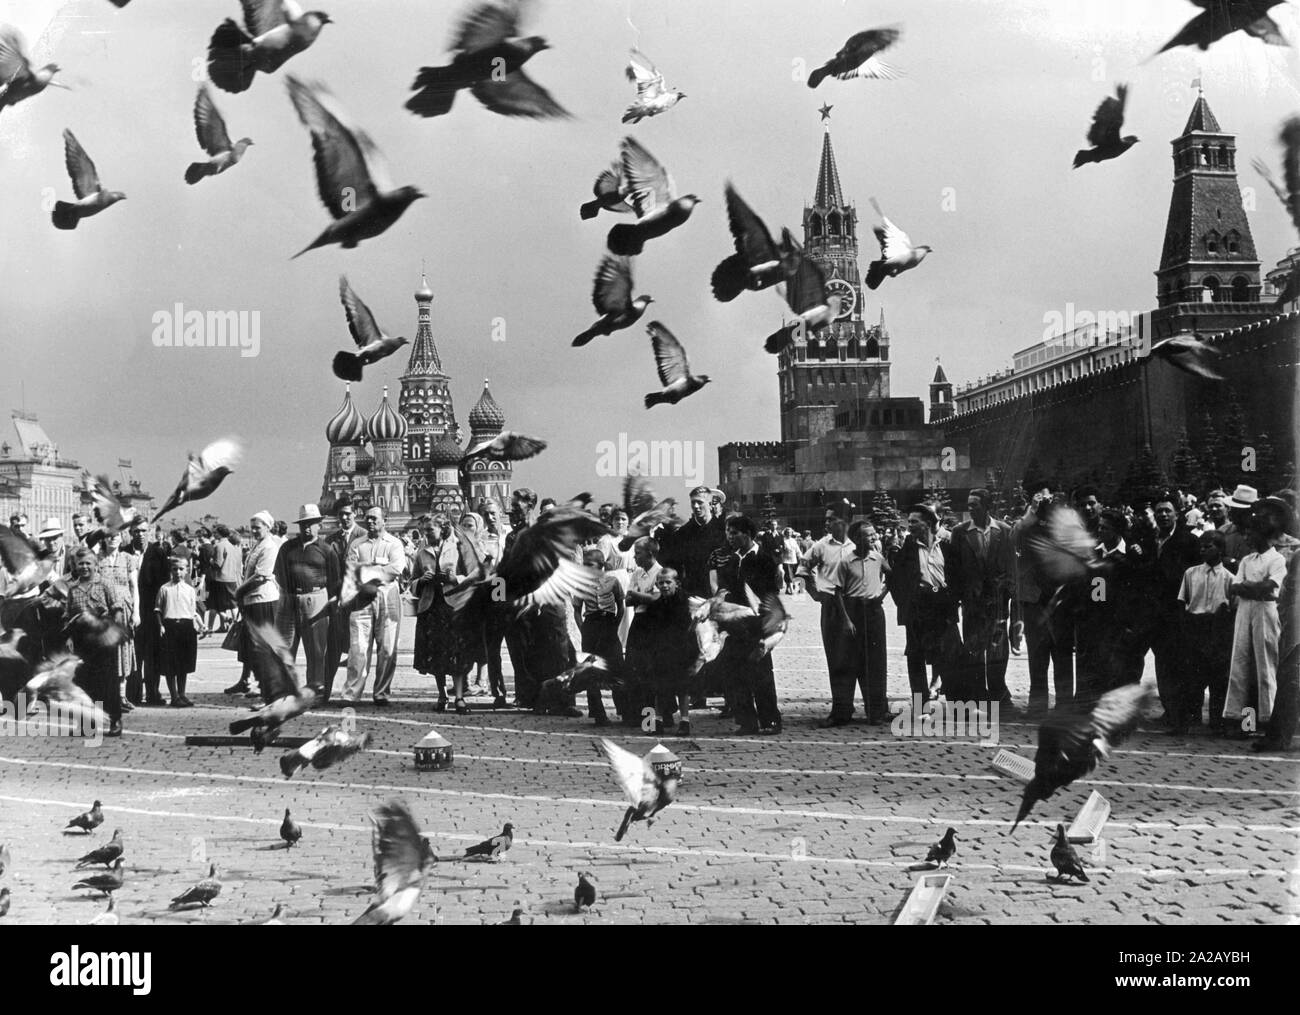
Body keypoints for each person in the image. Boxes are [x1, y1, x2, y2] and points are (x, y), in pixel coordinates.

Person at [1131, 492, 1201, 729]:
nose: (1162, 515)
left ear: (1177, 514)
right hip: (1150, 612)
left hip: (1175, 612)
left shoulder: (1188, 541)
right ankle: (1169, 709)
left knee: (1175, 663)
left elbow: (1186, 574)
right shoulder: (1148, 540)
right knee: (1160, 664)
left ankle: (1180, 713)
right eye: (1159, 511)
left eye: (1167, 511)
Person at [713, 513, 783, 735]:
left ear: (748, 534)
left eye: (734, 533)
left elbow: (771, 595)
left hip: (757, 624)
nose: (729, 537)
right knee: (735, 673)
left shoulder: (765, 559)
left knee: (761, 674)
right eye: (727, 532)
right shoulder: (731, 560)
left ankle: (770, 720)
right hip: (733, 625)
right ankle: (746, 721)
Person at [948, 489, 1017, 712]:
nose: (970, 508)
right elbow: (953, 569)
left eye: (975, 505)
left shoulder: (1005, 531)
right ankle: (977, 696)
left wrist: (1005, 589)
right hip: (972, 602)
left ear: (987, 506)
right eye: (969, 504)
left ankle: (999, 695)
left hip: (997, 601)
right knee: (974, 649)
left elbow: (1011, 566)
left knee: (998, 650)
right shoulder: (959, 532)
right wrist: (961, 595)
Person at [887, 503, 958, 706]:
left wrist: (952, 598)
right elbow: (896, 580)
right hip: (918, 608)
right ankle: (920, 702)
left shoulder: (945, 545)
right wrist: (906, 602)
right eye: (909, 522)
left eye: (914, 522)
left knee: (948, 654)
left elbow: (958, 575)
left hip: (943, 607)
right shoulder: (907, 548)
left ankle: (956, 702)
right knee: (915, 655)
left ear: (927, 524)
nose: (909, 525)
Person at [1223, 523, 1286, 736]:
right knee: (1241, 665)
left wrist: (1249, 587)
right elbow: (1234, 586)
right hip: (1245, 610)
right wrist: (1255, 587)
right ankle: (1245, 723)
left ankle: (1269, 721)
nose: (1248, 538)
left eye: (1251, 533)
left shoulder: (1276, 559)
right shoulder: (1247, 560)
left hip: (1265, 611)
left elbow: (1271, 587)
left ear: (1263, 533)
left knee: (1265, 665)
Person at [274, 504, 342, 701]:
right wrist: (290, 592)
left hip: (316, 601)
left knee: (316, 650)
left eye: (311, 524)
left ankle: (314, 691)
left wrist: (329, 602)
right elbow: (278, 572)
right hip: (288, 600)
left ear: (318, 525)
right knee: (285, 648)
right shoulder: (287, 547)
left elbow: (334, 580)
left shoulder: (326, 550)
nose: (307, 528)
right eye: (304, 524)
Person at [340, 506, 406, 706]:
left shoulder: (394, 544)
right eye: (367, 518)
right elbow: (351, 570)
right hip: (361, 598)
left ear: (384, 520)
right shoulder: (357, 544)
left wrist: (367, 569)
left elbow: (395, 569)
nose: (370, 522)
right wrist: (378, 569)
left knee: (387, 647)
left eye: (374, 518)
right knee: (358, 648)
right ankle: (351, 694)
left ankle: (381, 693)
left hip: (388, 596)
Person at [797, 506, 855, 727]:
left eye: (832, 519)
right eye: (827, 519)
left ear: (845, 520)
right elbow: (803, 567)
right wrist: (814, 593)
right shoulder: (821, 546)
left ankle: (873, 707)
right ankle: (840, 709)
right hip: (831, 605)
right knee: (837, 658)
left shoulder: (858, 543)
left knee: (860, 657)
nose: (827, 523)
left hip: (855, 603)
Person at [831, 520, 891, 724]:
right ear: (856, 539)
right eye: (869, 535)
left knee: (876, 662)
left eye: (875, 534)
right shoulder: (846, 562)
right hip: (852, 611)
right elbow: (837, 592)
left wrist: (881, 596)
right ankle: (843, 712)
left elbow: (891, 578)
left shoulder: (878, 558)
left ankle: (876, 712)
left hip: (873, 613)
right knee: (851, 661)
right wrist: (846, 620)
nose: (874, 538)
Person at [1177, 530, 1235, 735]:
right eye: (1201, 546)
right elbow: (1183, 601)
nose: (1203, 550)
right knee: (1193, 675)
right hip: (1195, 626)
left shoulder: (1230, 577)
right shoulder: (1191, 573)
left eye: (1208, 546)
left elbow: (1232, 607)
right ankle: (1190, 717)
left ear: (1219, 549)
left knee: (1218, 677)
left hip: (1217, 628)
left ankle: (1217, 720)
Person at [64, 547, 124, 737]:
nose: (84, 567)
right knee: (83, 681)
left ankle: (115, 720)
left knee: (107, 681)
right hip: (82, 641)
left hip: (103, 637)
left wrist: (115, 632)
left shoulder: (105, 584)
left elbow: (117, 609)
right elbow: (67, 616)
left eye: (88, 563)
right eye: (80, 563)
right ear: (75, 566)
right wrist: (68, 637)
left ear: (96, 565)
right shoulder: (72, 589)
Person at [410, 514, 463, 713]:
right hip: (431, 608)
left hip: (452, 605)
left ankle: (459, 696)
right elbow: (412, 581)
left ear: (442, 528)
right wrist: (422, 580)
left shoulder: (457, 547)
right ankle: (442, 695)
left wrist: (454, 578)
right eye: (424, 530)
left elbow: (472, 574)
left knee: (457, 653)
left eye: (430, 530)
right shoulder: (421, 552)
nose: (426, 534)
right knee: (436, 654)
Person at [641, 567, 697, 736]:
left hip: (682, 650)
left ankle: (684, 721)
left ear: (676, 583)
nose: (664, 586)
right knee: (659, 686)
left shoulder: (686, 602)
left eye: (668, 582)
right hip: (661, 650)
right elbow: (650, 630)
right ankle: (656, 720)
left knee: (682, 687)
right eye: (661, 583)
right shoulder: (655, 605)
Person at [233, 511, 283, 702]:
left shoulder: (269, 547)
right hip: (253, 600)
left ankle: (267, 686)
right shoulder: (259, 545)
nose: (253, 530)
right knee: (253, 645)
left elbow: (261, 576)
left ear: (268, 527)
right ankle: (256, 682)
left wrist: (240, 591)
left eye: (257, 527)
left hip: (263, 600)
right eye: (252, 527)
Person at [573, 547, 624, 726]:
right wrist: (584, 630)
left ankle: (625, 710)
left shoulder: (613, 581)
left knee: (617, 666)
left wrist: (615, 625)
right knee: (591, 671)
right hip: (591, 626)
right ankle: (598, 713)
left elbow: (621, 606)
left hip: (608, 625)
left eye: (590, 565)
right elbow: (577, 611)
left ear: (601, 565)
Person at [96, 530, 138, 715]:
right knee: (105, 651)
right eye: (109, 534)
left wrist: (137, 612)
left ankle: (121, 695)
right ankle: (107, 695)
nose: (113, 538)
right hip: (104, 610)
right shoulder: (97, 559)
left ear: (122, 538)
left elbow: (134, 587)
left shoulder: (128, 558)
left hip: (125, 609)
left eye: (116, 534)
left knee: (124, 651)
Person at [621, 536, 662, 725]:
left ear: (650, 553)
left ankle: (653, 718)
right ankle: (636, 714)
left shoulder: (661, 573)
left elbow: (656, 599)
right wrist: (642, 596)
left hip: (654, 624)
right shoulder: (637, 573)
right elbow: (628, 600)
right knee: (633, 666)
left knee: (651, 671)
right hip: (638, 622)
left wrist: (639, 595)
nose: (635, 557)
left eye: (638, 553)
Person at [130, 517, 170, 706]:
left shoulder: (158, 553)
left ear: (150, 532)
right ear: (130, 532)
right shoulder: (124, 552)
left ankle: (153, 692)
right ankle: (133, 694)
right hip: (131, 611)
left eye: (143, 530)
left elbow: (164, 584)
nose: (140, 534)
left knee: (153, 653)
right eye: (136, 531)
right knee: (133, 653)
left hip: (151, 610)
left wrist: (161, 613)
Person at [156, 554, 198, 708]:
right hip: (170, 626)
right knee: (170, 664)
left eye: (181, 569)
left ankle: (182, 694)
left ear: (187, 570)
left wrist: (198, 625)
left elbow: (192, 611)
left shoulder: (190, 590)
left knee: (184, 664)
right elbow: (158, 610)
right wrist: (160, 625)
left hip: (186, 627)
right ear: (170, 570)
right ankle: (174, 696)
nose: (178, 572)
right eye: (175, 569)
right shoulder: (164, 588)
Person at [780, 527, 800, 594]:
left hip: (793, 560)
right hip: (786, 560)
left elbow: (797, 550)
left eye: (790, 532)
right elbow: (781, 550)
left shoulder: (793, 540)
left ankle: (787, 589)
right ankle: (791, 590)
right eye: (787, 532)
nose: (789, 534)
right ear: (785, 533)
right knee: (789, 575)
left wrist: (801, 557)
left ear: (792, 533)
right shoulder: (783, 541)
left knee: (792, 574)